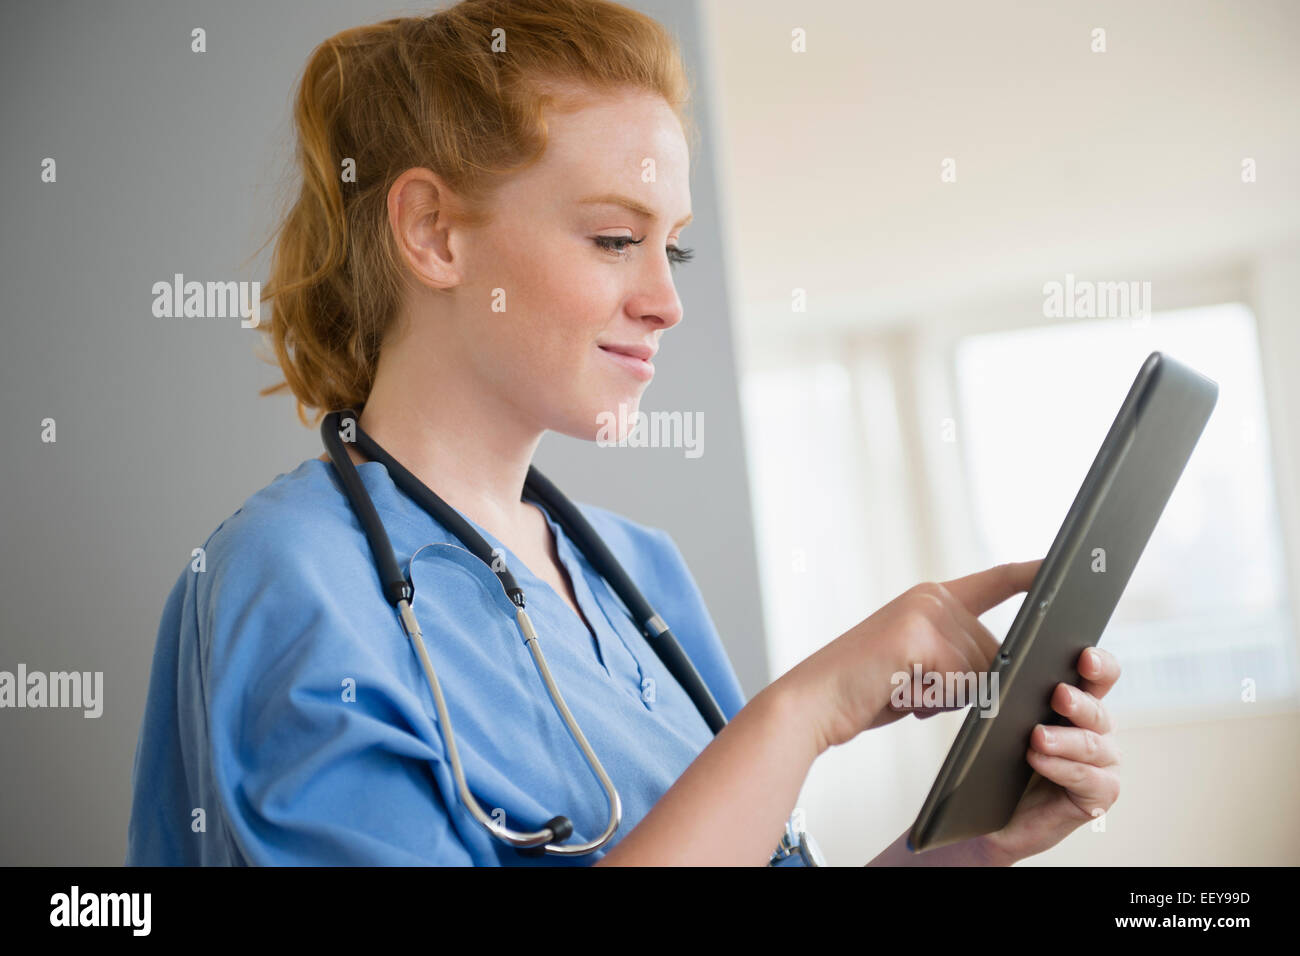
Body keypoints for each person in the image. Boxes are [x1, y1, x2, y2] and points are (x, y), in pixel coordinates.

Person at [125, 0, 1121, 866]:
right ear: (433, 231)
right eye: (614, 238)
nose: (666, 302)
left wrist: (970, 844)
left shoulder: (641, 576)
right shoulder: (289, 581)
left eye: (671, 249)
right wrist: (806, 711)